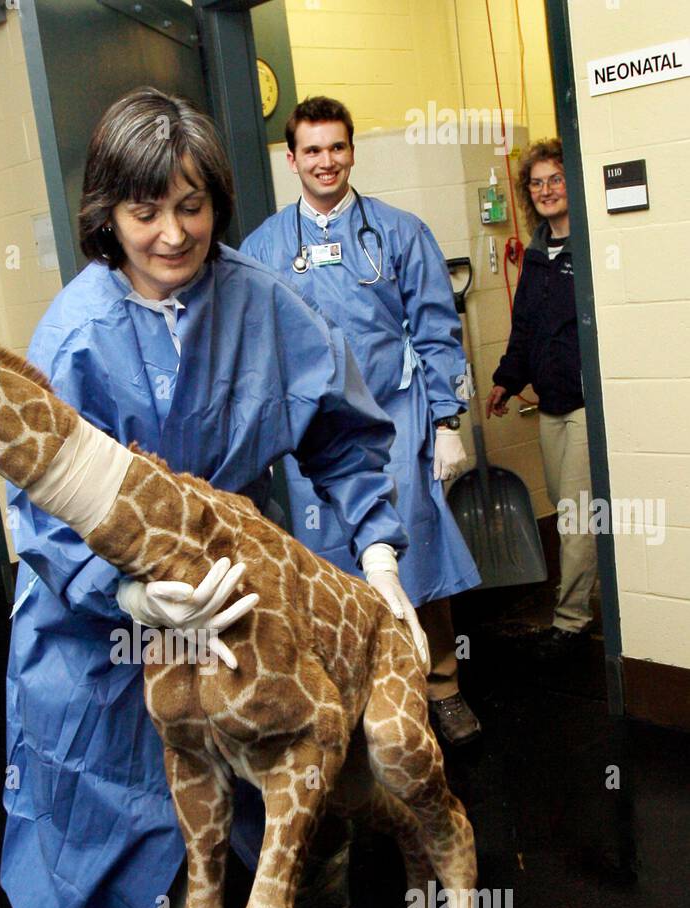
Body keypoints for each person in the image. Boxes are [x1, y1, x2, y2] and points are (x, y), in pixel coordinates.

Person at [1, 88, 426, 908]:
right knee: (147, 837)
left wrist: (376, 555)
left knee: (303, 764)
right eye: (146, 212)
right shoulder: (78, 329)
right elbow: (37, 498)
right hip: (109, 633)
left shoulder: (262, 300)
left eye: (190, 205)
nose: (173, 233)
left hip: (242, 604)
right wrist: (125, 596)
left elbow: (340, 429)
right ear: (110, 214)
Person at [240, 96, 482, 747]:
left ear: (352, 152)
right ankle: (357, 695)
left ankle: (443, 686)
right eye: (312, 150)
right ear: (291, 159)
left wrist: (446, 420)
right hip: (311, 435)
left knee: (419, 554)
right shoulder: (263, 248)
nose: (326, 161)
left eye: (337, 147)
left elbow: (435, 329)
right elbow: (252, 350)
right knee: (329, 567)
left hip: (396, 420)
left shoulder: (401, 233)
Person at [487, 138, 596, 657]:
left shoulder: (590, 246)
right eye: (537, 182)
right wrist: (507, 379)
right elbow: (525, 326)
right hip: (549, 403)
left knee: (575, 513)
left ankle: (571, 621)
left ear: (570, 184)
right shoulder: (536, 250)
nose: (547, 190)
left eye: (555, 179)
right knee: (563, 501)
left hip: (585, 405)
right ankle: (590, 591)